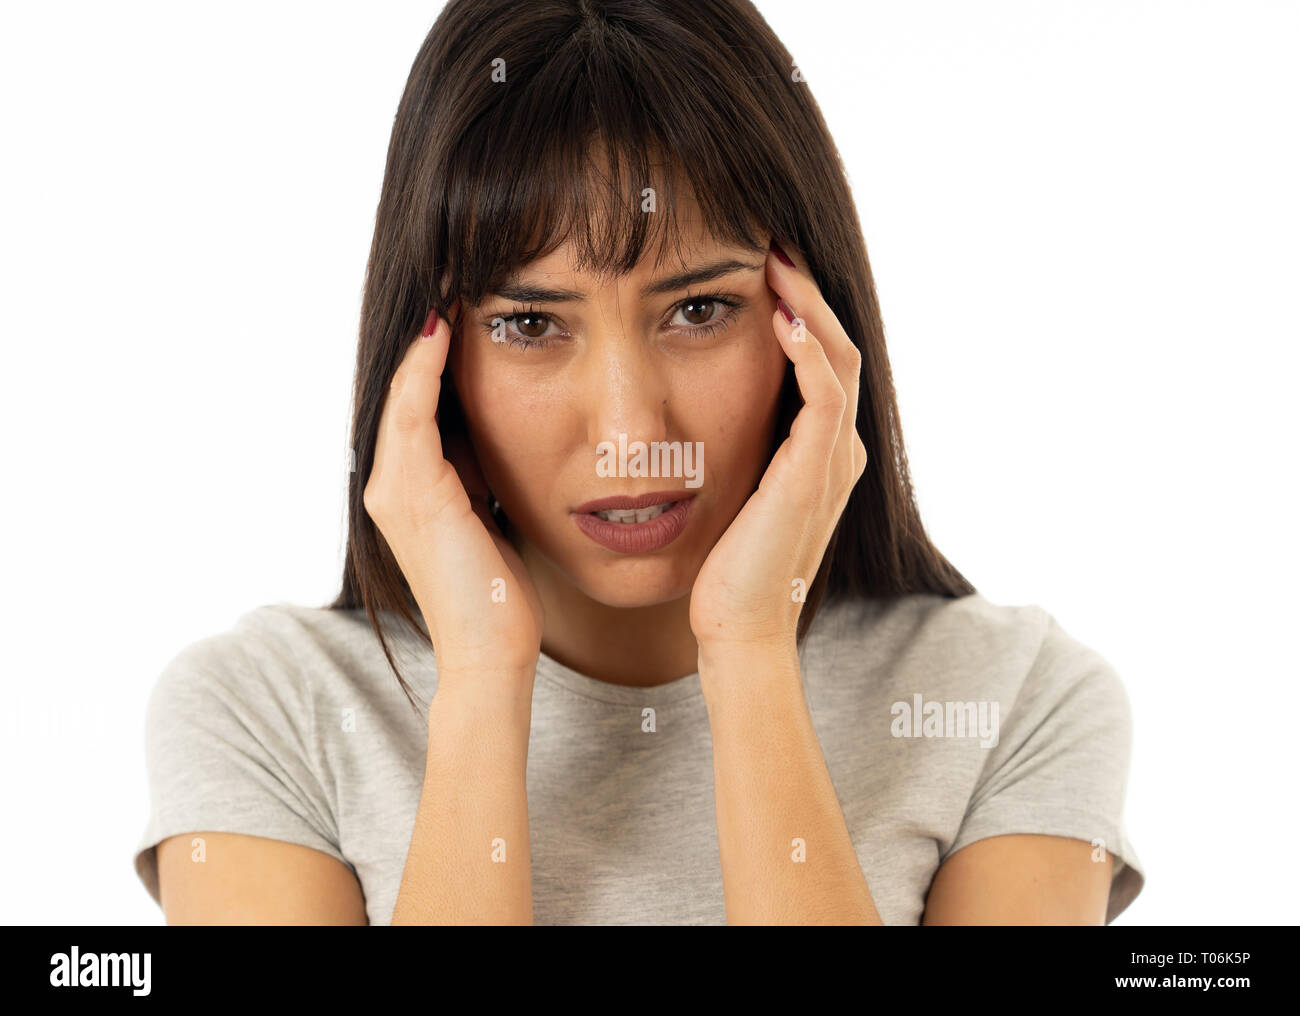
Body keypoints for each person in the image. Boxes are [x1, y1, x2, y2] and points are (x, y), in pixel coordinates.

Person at [133, 0, 1144, 925]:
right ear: (429, 355)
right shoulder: (264, 715)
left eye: (698, 310)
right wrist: (483, 678)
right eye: (529, 322)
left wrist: (749, 651)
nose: (627, 429)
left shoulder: (1013, 699)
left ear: (811, 325)